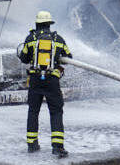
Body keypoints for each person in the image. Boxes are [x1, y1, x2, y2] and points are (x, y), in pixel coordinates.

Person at [17, 10, 72, 157]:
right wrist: (57, 62)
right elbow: (69, 56)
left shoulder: (31, 38)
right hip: (52, 81)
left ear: (37, 24)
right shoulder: (58, 39)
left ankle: (32, 144)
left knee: (33, 112)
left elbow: (23, 58)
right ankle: (57, 147)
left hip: (35, 80)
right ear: (49, 24)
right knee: (56, 112)